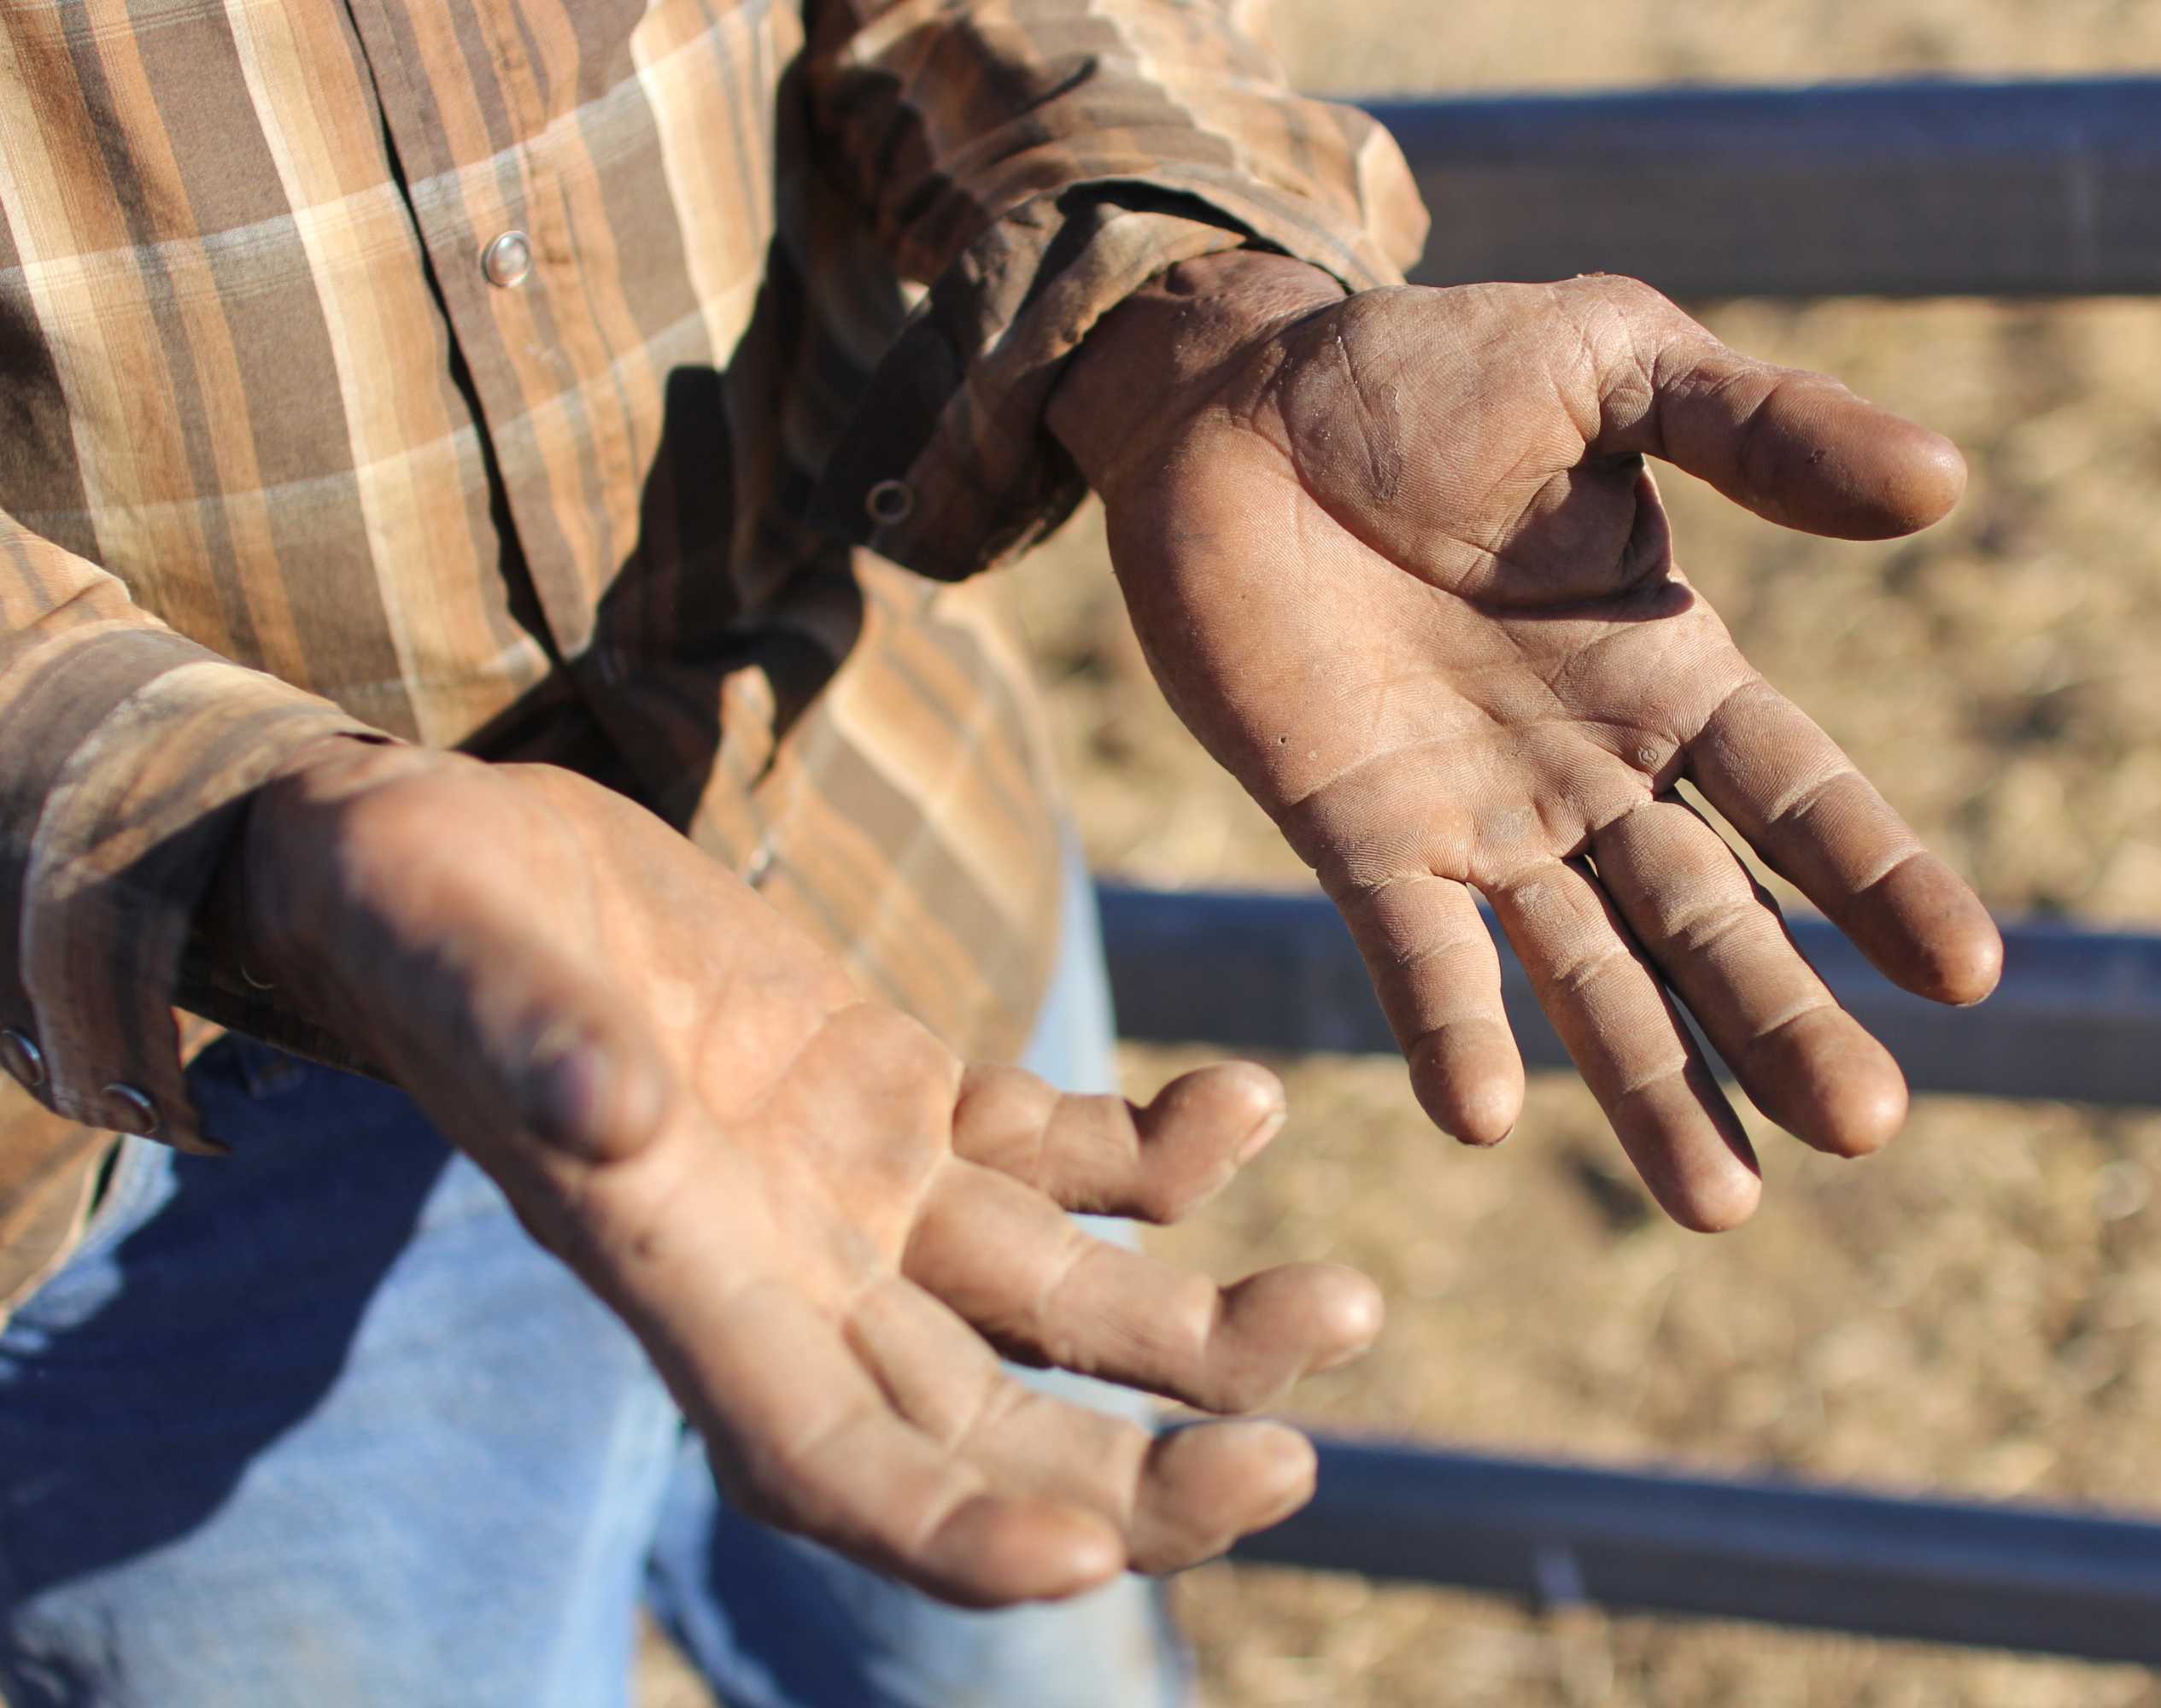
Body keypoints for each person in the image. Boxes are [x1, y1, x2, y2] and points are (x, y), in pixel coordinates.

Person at [0, 0, 2002, 1702]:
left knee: (1032, 1625)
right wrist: (226, 823)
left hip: (878, 908)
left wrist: (1190, 305)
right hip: (136, 1137)